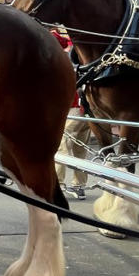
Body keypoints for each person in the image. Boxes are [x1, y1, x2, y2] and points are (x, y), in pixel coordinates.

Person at [52, 30, 90, 199]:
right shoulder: (79, 55)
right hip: (86, 108)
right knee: (79, 148)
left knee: (62, 144)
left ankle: (58, 185)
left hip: (75, 107)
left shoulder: (58, 60)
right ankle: (79, 185)